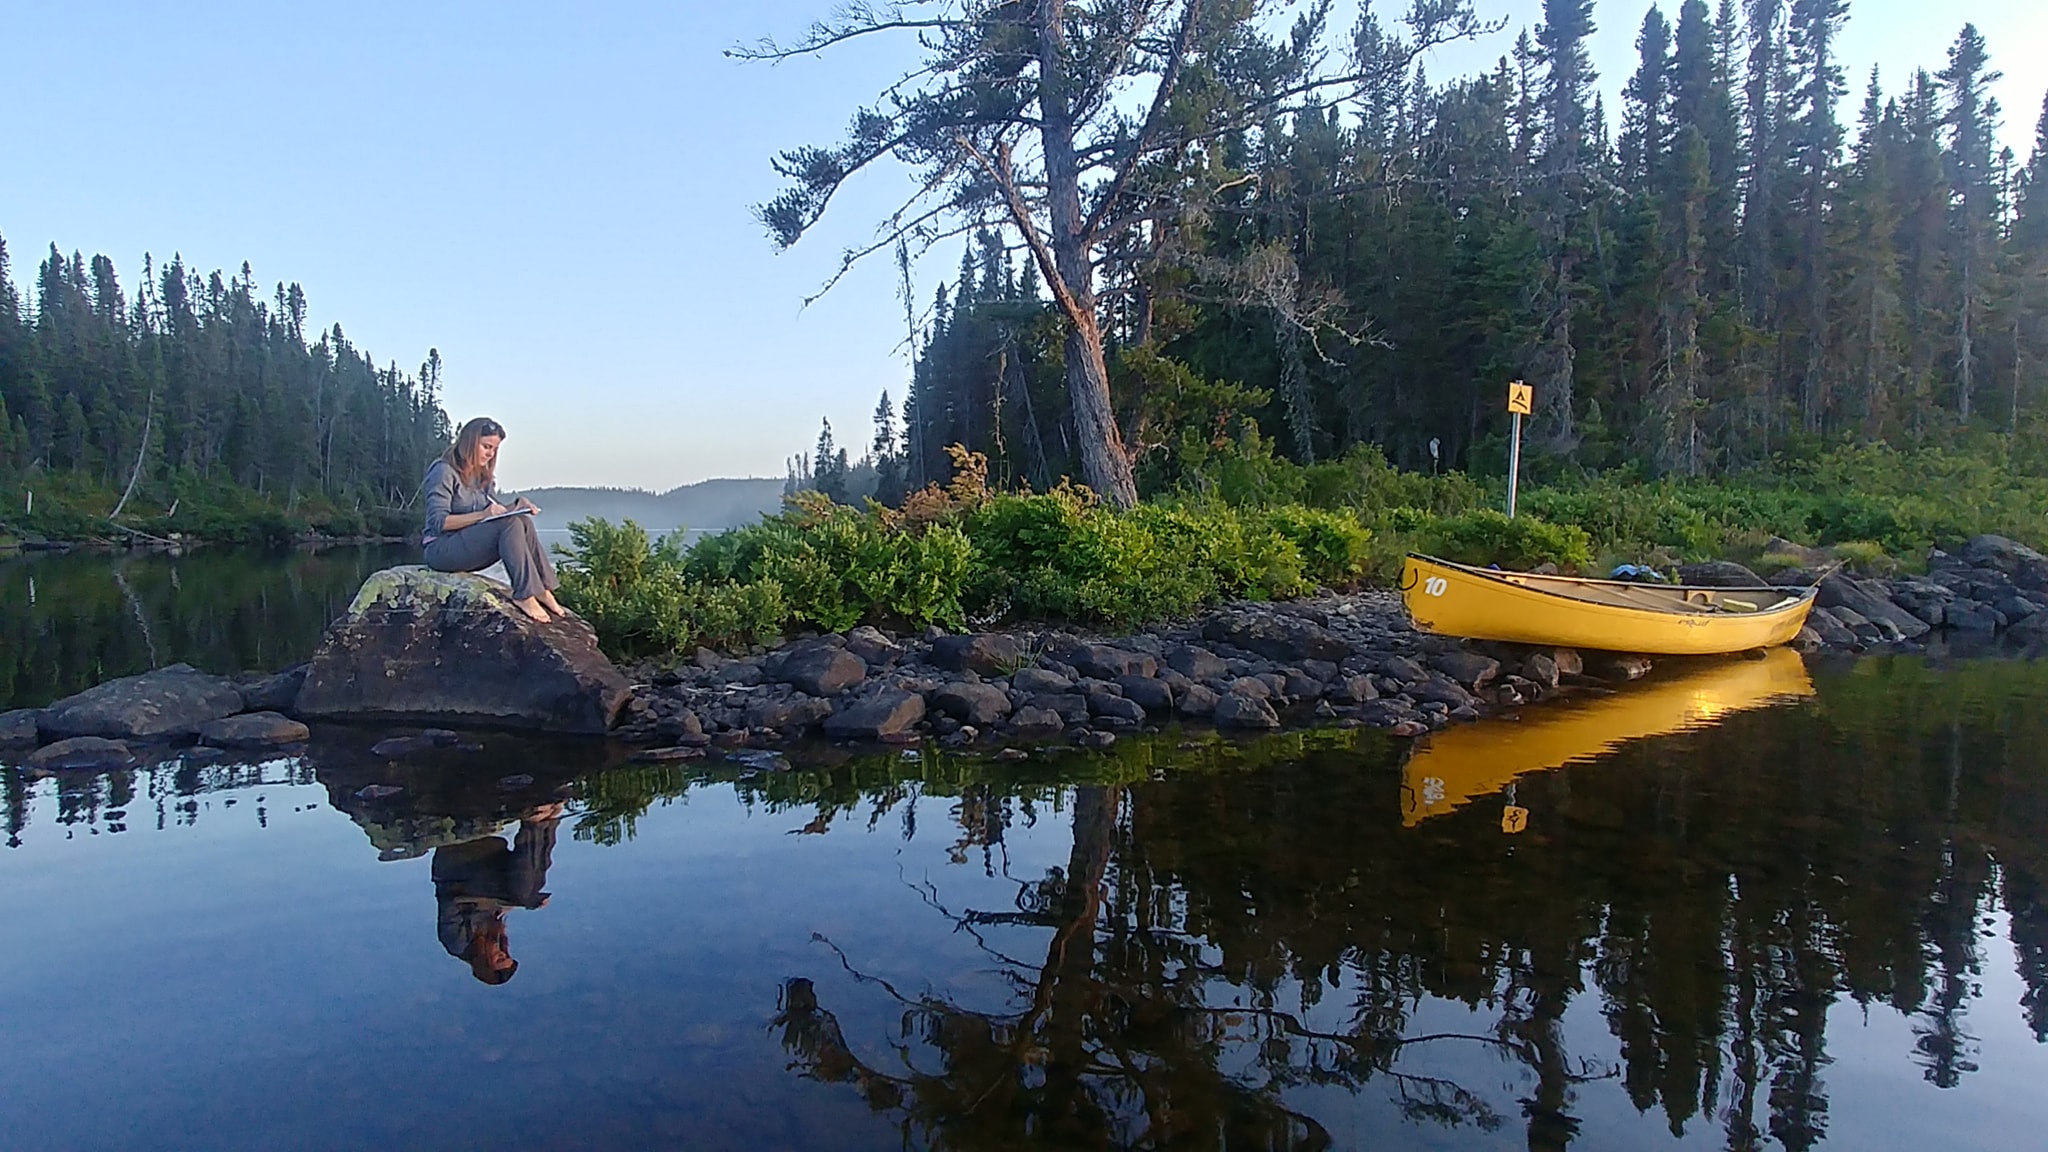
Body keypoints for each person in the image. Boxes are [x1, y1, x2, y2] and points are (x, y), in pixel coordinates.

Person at [421, 416, 569, 624]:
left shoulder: (480, 475)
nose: (490, 453)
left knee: (522, 521)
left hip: (466, 544)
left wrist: (517, 506)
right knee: (509, 523)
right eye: (486, 446)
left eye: (494, 449)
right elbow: (439, 523)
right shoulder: (443, 471)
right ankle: (524, 595)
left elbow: (494, 512)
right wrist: (484, 515)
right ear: (470, 441)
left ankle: (542, 588)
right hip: (440, 550)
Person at [431, 803, 564, 985]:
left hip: (457, 868)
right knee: (529, 889)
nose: (503, 952)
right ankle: (547, 820)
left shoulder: (456, 943)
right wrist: (503, 905)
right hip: (483, 867)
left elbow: (450, 901)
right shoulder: (494, 934)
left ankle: (539, 822)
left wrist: (499, 902)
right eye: (507, 956)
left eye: (500, 959)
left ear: (485, 965)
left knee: (524, 896)